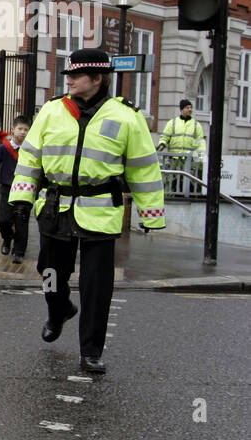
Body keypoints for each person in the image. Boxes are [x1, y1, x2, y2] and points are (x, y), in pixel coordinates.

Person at [9, 48, 165, 375]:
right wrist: (21, 200)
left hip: (101, 210)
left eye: (76, 76)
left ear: (97, 79)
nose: (70, 81)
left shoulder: (126, 116)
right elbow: (30, 158)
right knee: (50, 272)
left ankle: (91, 351)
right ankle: (58, 309)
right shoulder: (52, 111)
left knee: (97, 286)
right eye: (68, 75)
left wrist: (150, 213)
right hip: (55, 205)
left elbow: (143, 167)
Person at [0, 116, 32, 262]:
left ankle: (19, 252)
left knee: (21, 221)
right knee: (4, 220)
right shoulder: (4, 148)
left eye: (26, 130)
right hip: (7, 187)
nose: (23, 132)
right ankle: (7, 238)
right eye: (20, 129)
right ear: (13, 130)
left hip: (25, 189)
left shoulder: (32, 149)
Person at [157, 98, 206, 170]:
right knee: (173, 180)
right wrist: (161, 144)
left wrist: (200, 158)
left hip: (189, 160)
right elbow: (165, 137)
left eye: (190, 107)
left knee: (187, 180)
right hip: (174, 159)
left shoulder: (196, 125)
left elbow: (201, 144)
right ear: (182, 109)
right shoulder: (172, 123)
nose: (190, 109)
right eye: (187, 108)